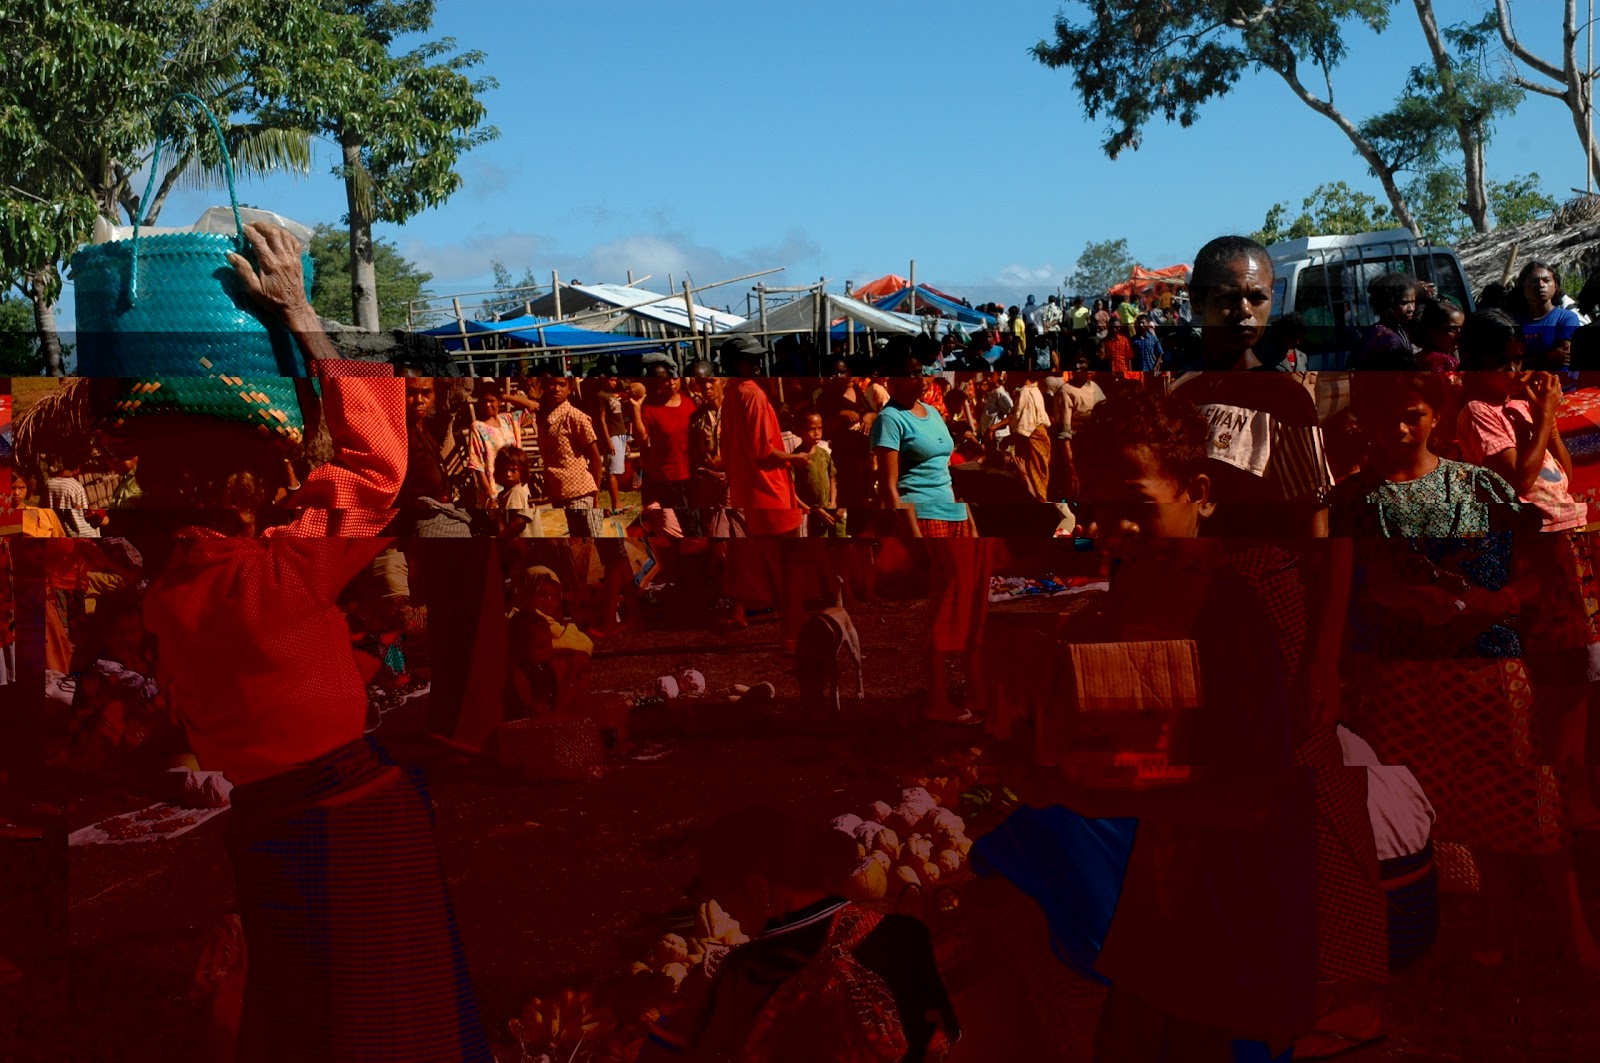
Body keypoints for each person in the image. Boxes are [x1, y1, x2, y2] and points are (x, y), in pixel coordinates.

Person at [130, 222, 491, 1061]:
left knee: (310, 1019)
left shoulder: (163, 598)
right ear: (237, 486)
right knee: (398, 1013)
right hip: (354, 822)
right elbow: (376, 464)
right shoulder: (278, 570)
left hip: (265, 828)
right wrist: (300, 312)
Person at [982, 387, 1319, 1062]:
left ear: (1199, 490)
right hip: (1164, 908)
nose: (1117, 530)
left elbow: (1251, 796)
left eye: (1136, 507)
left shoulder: (1233, 610)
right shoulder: (1141, 588)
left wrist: (1092, 795)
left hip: (1234, 919)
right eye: (1100, 510)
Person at [1333, 369, 1600, 973]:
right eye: (1385, 417)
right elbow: (1345, 591)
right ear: (1363, 423)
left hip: (1487, 668)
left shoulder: (1479, 486)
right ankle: (1469, 930)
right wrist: (1396, 600)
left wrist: (1500, 600)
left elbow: (1541, 568)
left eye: (1414, 414)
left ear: (1438, 414)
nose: (1400, 429)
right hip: (1397, 676)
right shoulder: (1352, 499)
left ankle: (1575, 932)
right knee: (1427, 808)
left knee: (1527, 801)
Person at [640, 807, 959, 1063]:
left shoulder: (749, 971)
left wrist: (665, 1029)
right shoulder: (892, 930)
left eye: (732, 910)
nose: (735, 922)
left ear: (757, 889)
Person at [871, 354, 990, 726]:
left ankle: (976, 690)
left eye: (918, 372)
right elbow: (890, 488)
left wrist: (968, 518)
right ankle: (937, 699)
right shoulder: (890, 420)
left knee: (972, 601)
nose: (915, 379)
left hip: (955, 513)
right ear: (890, 380)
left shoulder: (933, 412)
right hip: (923, 515)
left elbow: (948, 472)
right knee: (945, 605)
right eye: (906, 374)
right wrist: (913, 535)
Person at [396, 376, 472, 538]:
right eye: (411, 392)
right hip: (424, 519)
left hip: (443, 512)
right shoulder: (400, 432)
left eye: (426, 393)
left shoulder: (424, 427)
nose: (419, 400)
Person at [534, 373, 606, 537]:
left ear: (570, 388)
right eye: (551, 384)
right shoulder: (543, 417)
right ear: (544, 387)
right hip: (557, 492)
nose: (556, 389)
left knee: (591, 540)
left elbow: (595, 458)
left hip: (580, 492)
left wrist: (595, 495)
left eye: (562, 384)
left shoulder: (575, 416)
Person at [628, 372, 697, 532]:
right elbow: (642, 438)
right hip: (665, 478)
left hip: (691, 476)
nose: (671, 383)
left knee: (693, 525)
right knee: (670, 527)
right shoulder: (651, 408)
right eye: (666, 380)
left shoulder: (689, 403)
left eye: (674, 378)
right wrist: (636, 410)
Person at [467, 381, 538, 510]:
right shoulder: (477, 427)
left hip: (516, 485)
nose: (488, 405)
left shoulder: (508, 420)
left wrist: (506, 396)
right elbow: (477, 464)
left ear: (499, 402)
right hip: (495, 489)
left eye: (492, 400)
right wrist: (490, 494)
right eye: (484, 401)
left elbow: (533, 406)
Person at [1513, 261, 1582, 384]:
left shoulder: (1566, 318)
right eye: (1533, 281)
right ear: (1523, 288)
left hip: (1562, 388)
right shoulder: (1514, 322)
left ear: (1555, 285)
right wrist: (1547, 357)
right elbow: (1510, 363)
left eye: (1546, 280)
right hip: (1524, 388)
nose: (1540, 285)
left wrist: (1527, 361)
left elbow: (1563, 358)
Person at [1005, 373, 1051, 502]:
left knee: (1033, 480)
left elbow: (1024, 428)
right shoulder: (1035, 390)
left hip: (1032, 442)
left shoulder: (1025, 392)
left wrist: (1008, 440)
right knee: (1040, 479)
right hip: (1039, 439)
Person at [792, 412, 840, 537]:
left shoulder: (824, 454)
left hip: (830, 509)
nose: (817, 433)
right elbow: (791, 490)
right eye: (812, 429)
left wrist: (833, 502)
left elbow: (832, 478)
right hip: (812, 514)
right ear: (800, 431)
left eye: (820, 428)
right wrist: (812, 510)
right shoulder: (797, 458)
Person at [46, 456, 103, 538]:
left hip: (58, 531)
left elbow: (43, 508)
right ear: (77, 469)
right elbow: (85, 514)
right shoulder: (76, 487)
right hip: (78, 533)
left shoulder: (49, 484)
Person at [494, 448, 538, 539]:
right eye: (504, 470)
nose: (508, 474)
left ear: (521, 472)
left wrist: (501, 537)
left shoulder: (515, 492)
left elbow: (519, 521)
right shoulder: (505, 494)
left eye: (513, 470)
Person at [1415, 297, 1465, 373]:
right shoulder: (1445, 363)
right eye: (1452, 329)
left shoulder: (1418, 358)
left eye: (1461, 329)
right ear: (1432, 330)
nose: (1459, 334)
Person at [8, 473, 66, 538]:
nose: (16, 493)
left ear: (28, 489)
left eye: (22, 488)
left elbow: (60, 542)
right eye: (12, 488)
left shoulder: (47, 514)